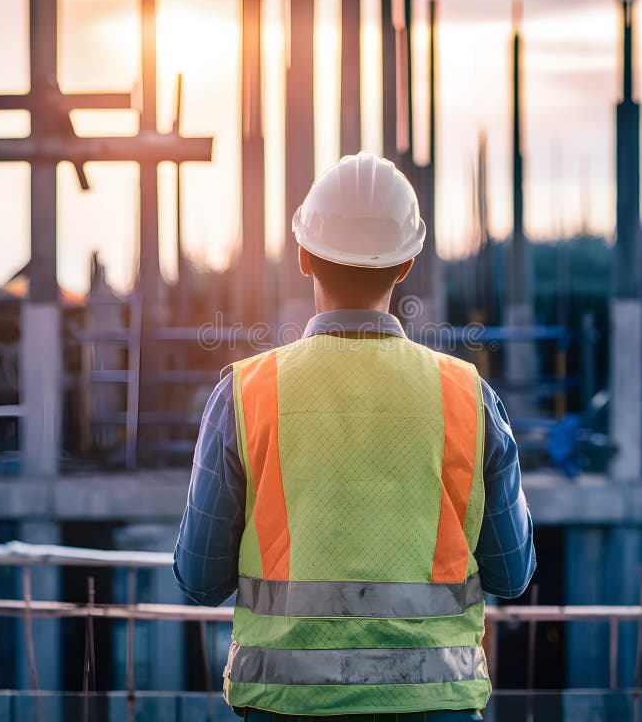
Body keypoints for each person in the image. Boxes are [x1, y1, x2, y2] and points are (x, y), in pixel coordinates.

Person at [174, 152, 536, 721]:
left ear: (302, 256)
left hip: (285, 707)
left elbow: (198, 579)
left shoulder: (244, 395)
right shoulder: (469, 397)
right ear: (406, 264)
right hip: (435, 705)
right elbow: (513, 574)